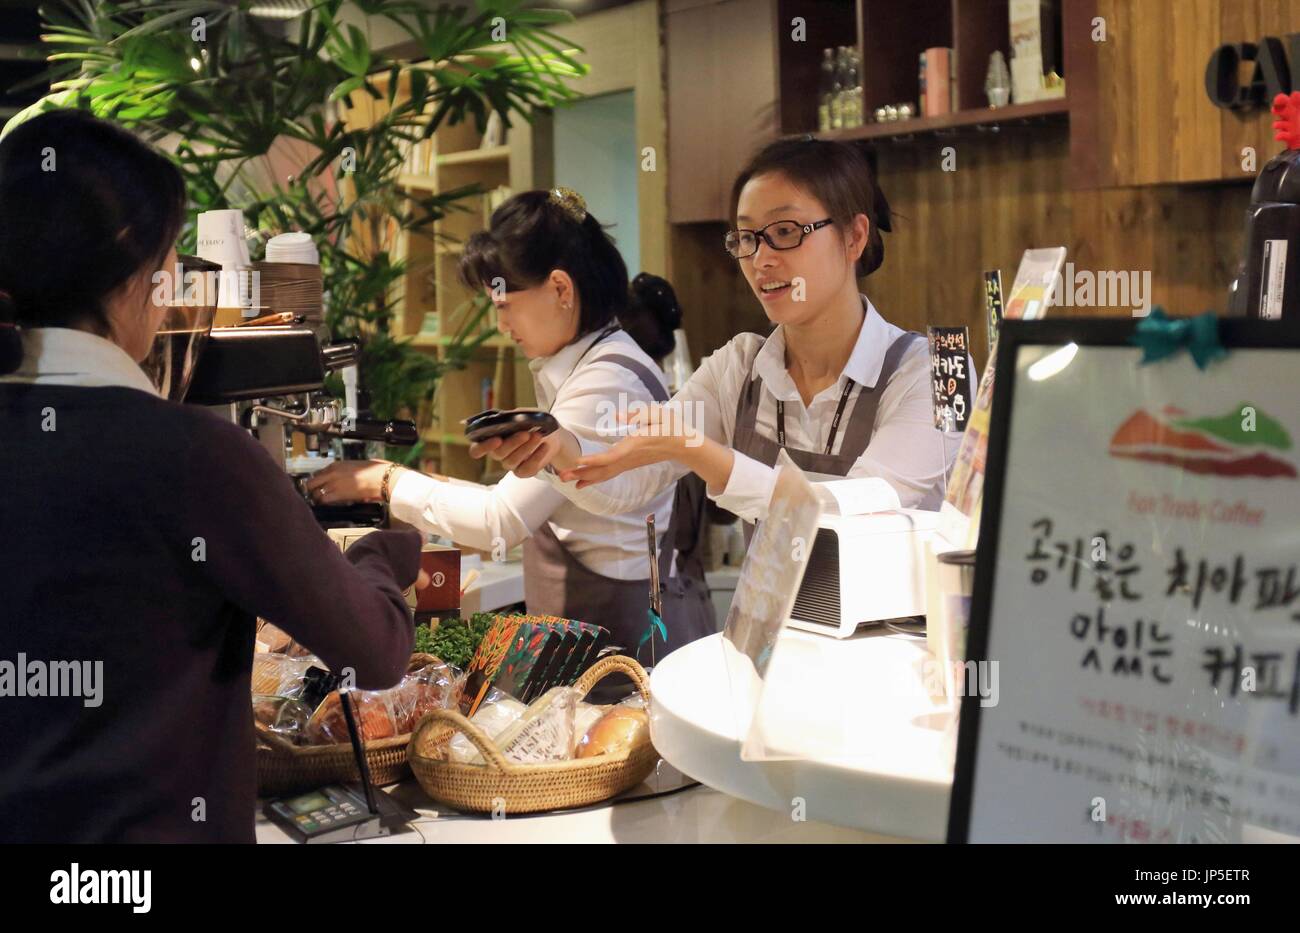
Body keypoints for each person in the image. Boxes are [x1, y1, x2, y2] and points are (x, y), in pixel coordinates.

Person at [0, 110, 424, 843]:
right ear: (139, 266)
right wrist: (383, 556)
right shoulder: (194, 454)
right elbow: (375, 649)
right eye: (170, 255)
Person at [305, 190, 716, 681]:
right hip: (611, 620)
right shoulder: (595, 362)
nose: (501, 325)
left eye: (505, 305)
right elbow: (534, 499)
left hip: (618, 638)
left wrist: (385, 481)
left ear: (561, 289)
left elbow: (500, 522)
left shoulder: (605, 380)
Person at [500, 137, 966, 535]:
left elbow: (859, 512)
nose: (760, 259)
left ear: (853, 237)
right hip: (776, 639)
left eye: (785, 231)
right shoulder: (739, 366)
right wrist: (560, 450)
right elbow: (630, 481)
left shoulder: (937, 370)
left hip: (901, 640)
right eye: (746, 238)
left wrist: (701, 454)